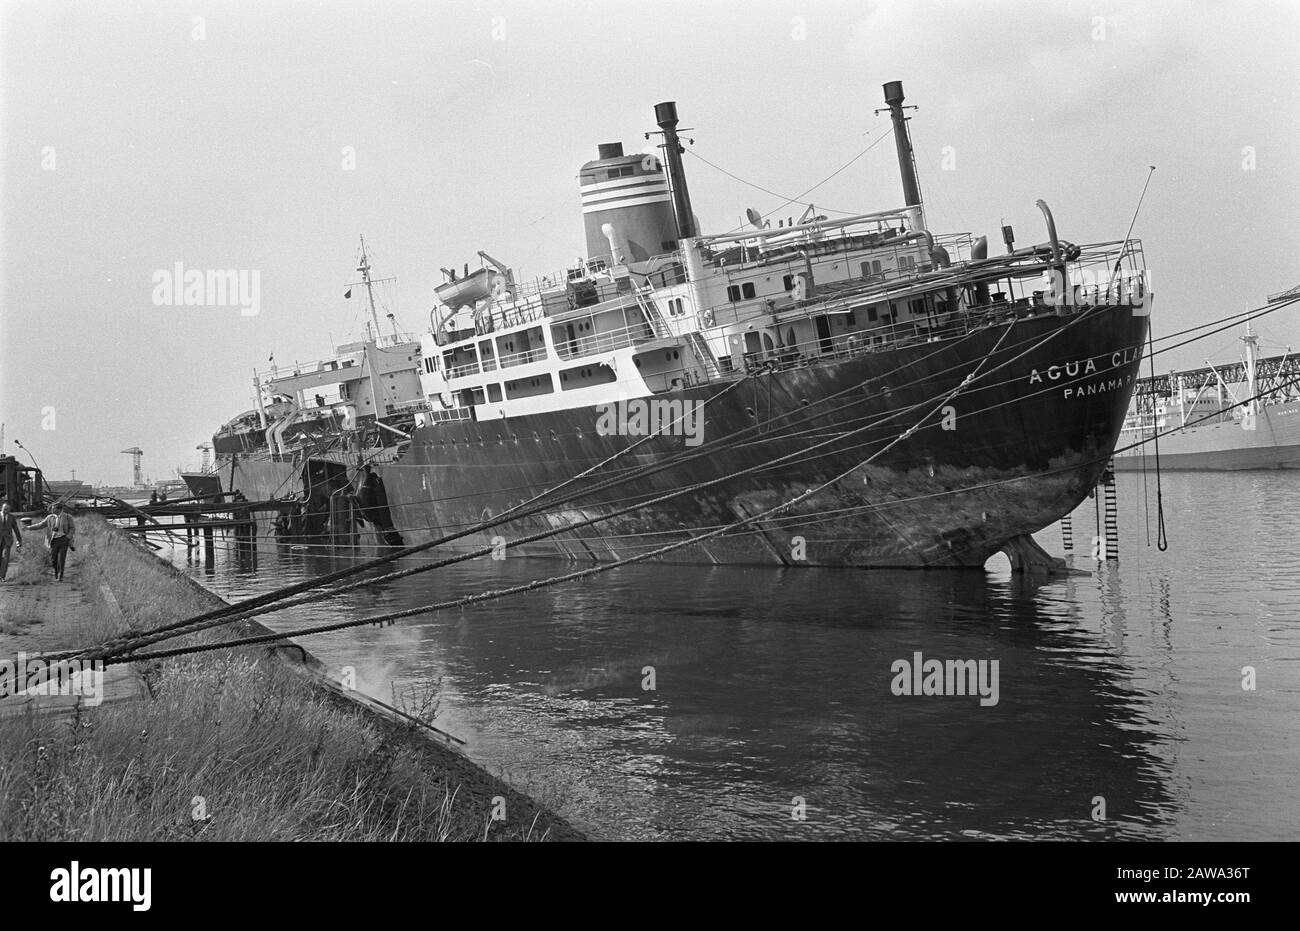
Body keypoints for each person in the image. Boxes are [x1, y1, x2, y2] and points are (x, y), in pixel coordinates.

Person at [27, 502, 75, 581]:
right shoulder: (50, 517)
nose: (51, 509)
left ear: (59, 509)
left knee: (61, 558)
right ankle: (56, 571)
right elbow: (41, 524)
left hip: (64, 539)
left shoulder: (67, 517)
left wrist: (68, 537)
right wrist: (29, 527)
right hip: (53, 540)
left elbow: (72, 528)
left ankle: (61, 575)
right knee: (53, 559)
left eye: (53, 508)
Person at [0, 501, 22, 581]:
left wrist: (19, 540)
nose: (5, 511)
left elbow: (16, 529)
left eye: (7, 510)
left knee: (5, 558)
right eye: (4, 509)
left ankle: (2, 576)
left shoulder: (12, 517)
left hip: (7, 540)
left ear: (9, 510)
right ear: (1, 508)